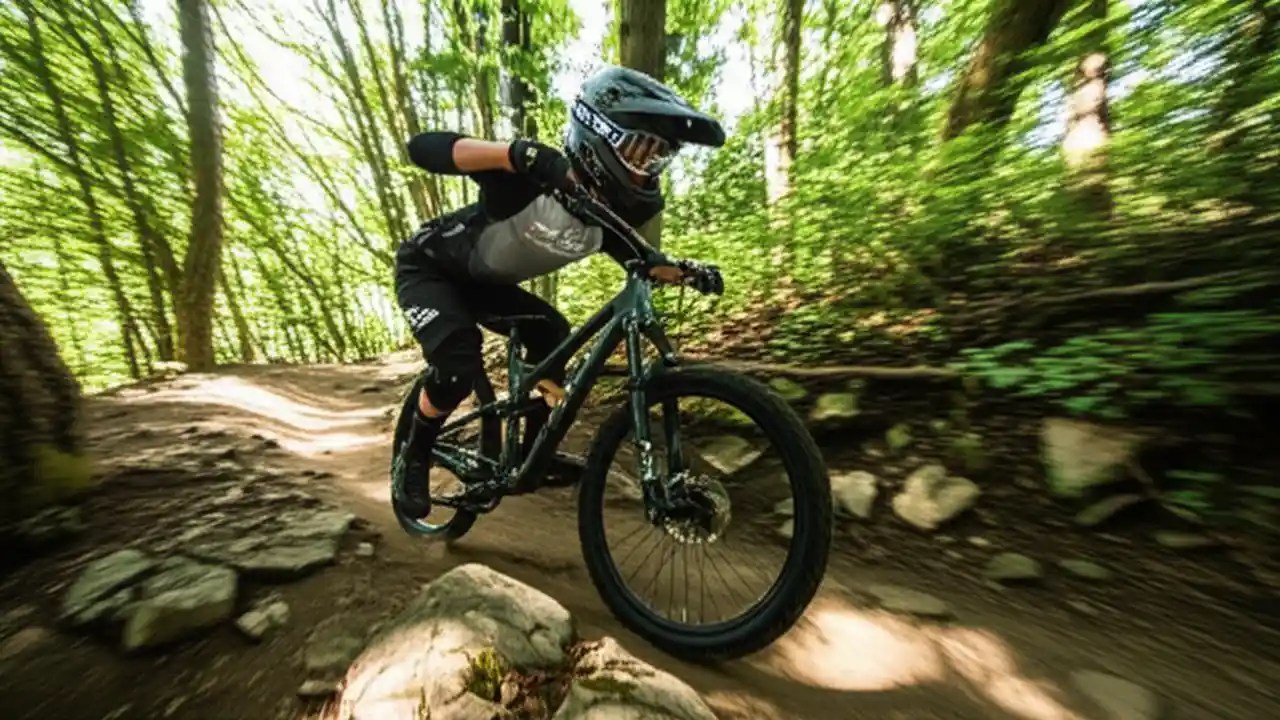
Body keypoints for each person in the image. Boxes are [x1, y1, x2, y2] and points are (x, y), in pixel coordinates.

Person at [392, 64, 727, 519]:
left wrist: (688, 271)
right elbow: (422, 149)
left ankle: (534, 457)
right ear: (599, 135)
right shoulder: (529, 180)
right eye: (640, 151)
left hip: (486, 287)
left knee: (552, 333)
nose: (648, 167)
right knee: (456, 363)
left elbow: (646, 259)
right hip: (430, 269)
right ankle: (414, 454)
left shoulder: (603, 223)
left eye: (657, 159)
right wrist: (514, 154)